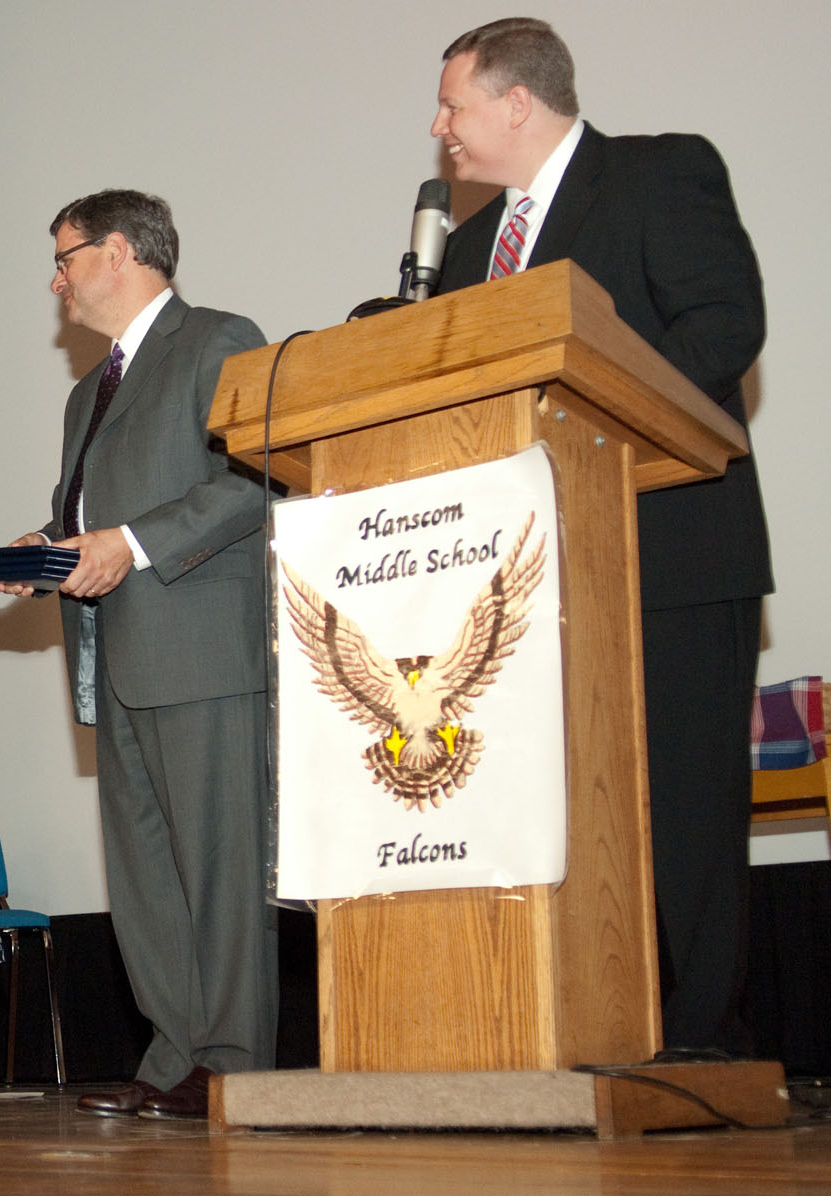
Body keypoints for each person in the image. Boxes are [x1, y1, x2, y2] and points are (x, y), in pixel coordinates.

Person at [428, 18, 768, 1055]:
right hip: (530, 578)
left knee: (683, 811)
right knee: (566, 816)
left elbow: (724, 326)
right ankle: (588, 1026)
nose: (439, 129)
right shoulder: (472, 249)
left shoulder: (659, 174)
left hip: (667, 548)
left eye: (453, 105)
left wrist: (581, 420)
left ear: (517, 101)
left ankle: (709, 1047)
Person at [0, 190, 275, 1119]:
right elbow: (84, 520)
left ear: (118, 251)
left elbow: (253, 477)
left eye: (64, 257)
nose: (55, 279)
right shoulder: (87, 394)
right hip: (111, 657)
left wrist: (130, 545)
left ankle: (231, 1066)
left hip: (202, 650)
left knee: (218, 866)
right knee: (144, 872)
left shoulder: (220, 338)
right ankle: (172, 1060)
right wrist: (45, 553)